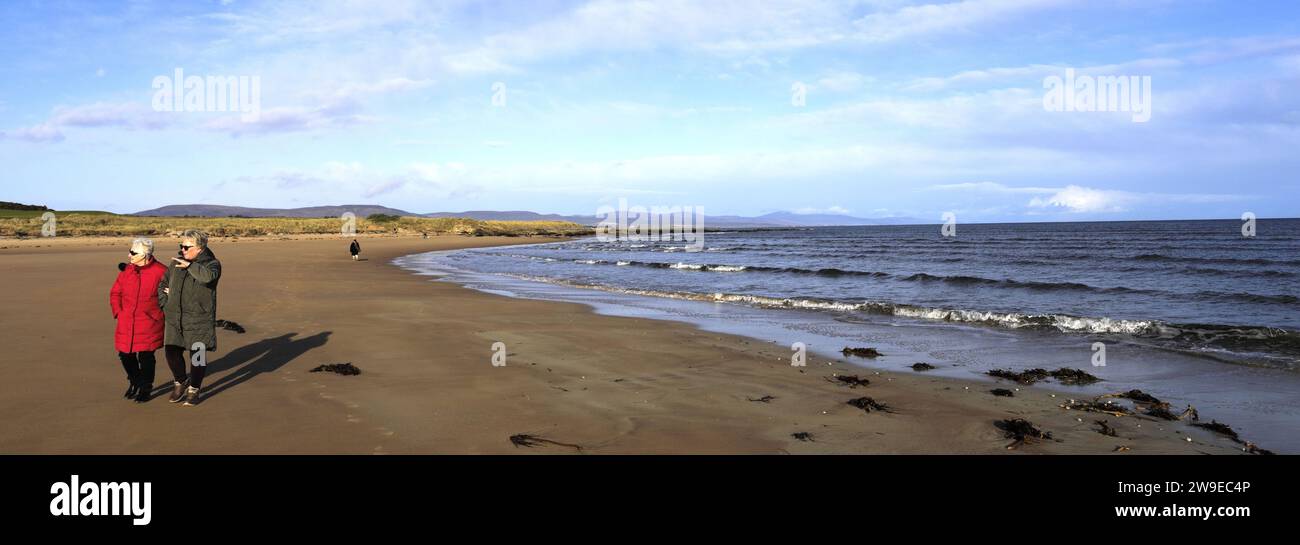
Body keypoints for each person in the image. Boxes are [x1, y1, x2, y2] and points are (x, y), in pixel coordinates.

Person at [159, 229, 222, 406]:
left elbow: (207, 278)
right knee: (171, 351)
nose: (183, 249)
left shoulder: (212, 264)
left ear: (200, 248)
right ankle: (180, 381)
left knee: (198, 356)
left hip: (199, 319)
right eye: (181, 246)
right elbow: (163, 284)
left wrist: (190, 266)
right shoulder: (176, 263)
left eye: (187, 246)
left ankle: (194, 388)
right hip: (175, 316)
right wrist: (166, 302)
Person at [109, 238, 168, 402]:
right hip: (126, 320)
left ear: (144, 255)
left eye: (133, 253)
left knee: (146, 357)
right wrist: (118, 312)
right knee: (125, 355)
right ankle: (135, 381)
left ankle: (146, 388)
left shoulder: (161, 271)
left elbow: (170, 298)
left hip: (150, 322)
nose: (129, 255)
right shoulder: (127, 271)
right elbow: (115, 293)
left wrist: (159, 316)